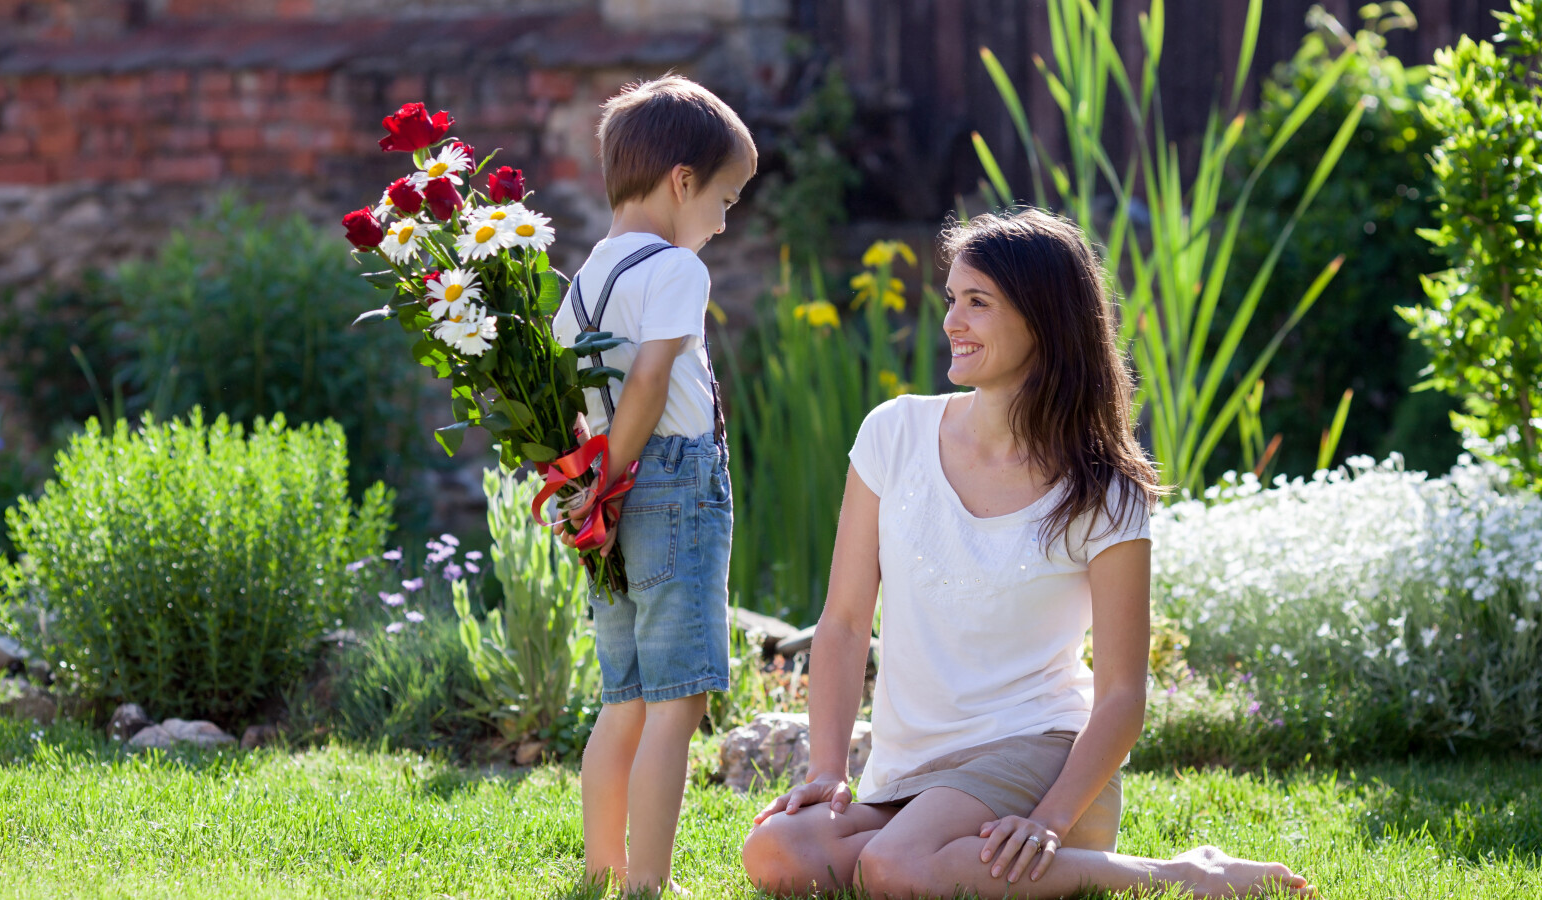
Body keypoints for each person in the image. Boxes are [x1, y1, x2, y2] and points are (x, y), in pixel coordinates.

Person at [742, 210, 1316, 899]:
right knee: (778, 852)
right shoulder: (892, 434)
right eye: (952, 298)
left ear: (1043, 320)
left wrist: (1049, 819)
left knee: (893, 870)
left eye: (977, 302)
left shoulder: (1104, 491)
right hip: (917, 771)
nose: (953, 320)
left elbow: (1123, 695)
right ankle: (944, 856)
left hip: (1041, 755)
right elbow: (840, 624)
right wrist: (828, 770)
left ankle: (1180, 874)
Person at [551, 74, 755, 897]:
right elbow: (649, 379)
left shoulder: (584, 281)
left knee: (625, 696)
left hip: (617, 499)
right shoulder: (674, 269)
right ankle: (648, 884)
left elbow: (584, 399)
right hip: (669, 483)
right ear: (681, 182)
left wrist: (592, 479)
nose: (725, 219)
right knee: (679, 701)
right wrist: (607, 470)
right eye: (726, 197)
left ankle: (602, 868)